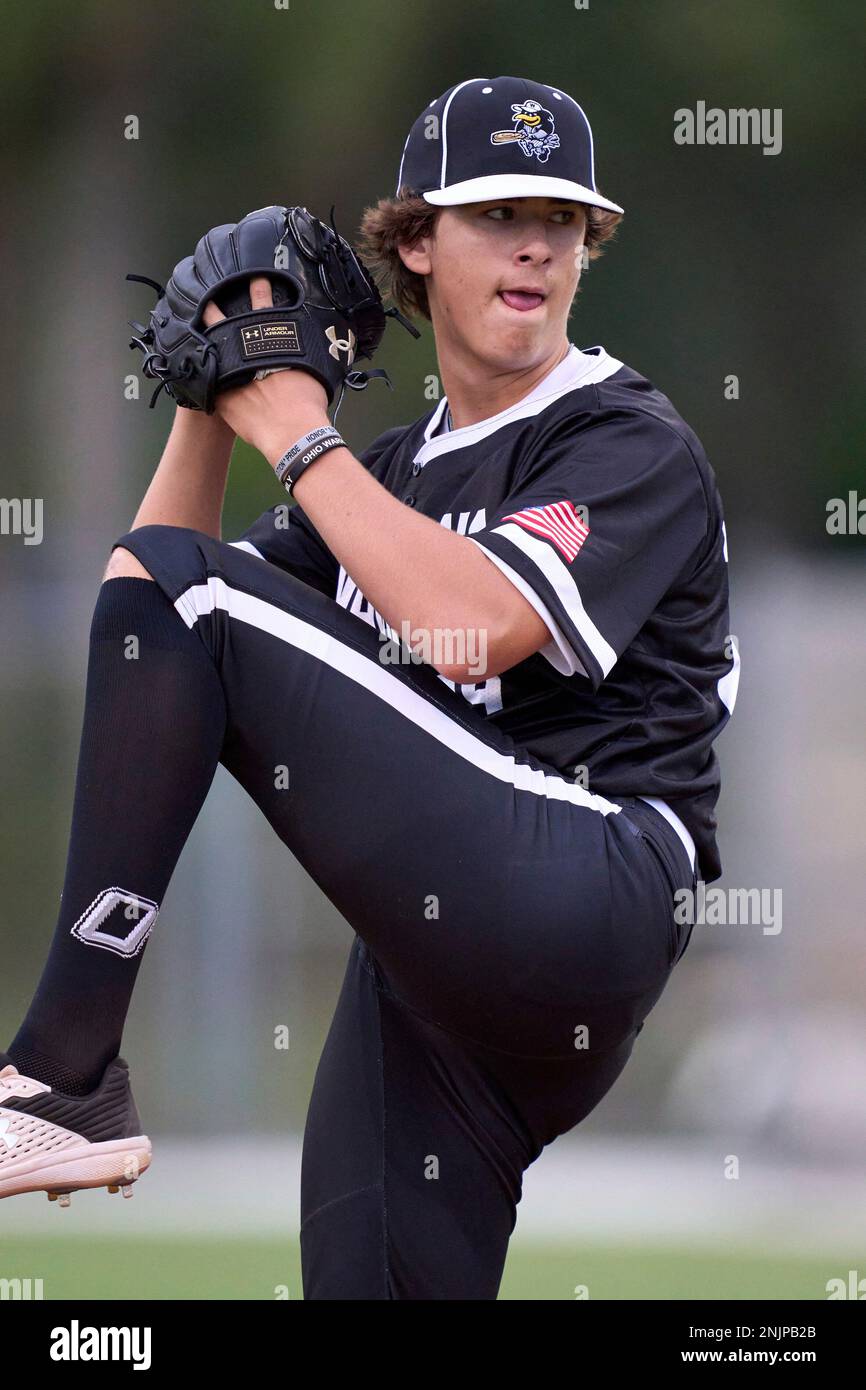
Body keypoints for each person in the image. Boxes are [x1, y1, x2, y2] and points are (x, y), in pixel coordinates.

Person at [0, 76, 737, 1298]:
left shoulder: (624, 433)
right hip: (436, 977)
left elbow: (469, 626)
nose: (536, 244)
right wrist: (211, 394)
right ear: (412, 241)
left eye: (563, 218)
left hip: (586, 895)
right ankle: (67, 1084)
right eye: (497, 210)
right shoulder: (383, 476)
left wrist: (296, 435)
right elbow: (153, 616)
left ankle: (64, 1070)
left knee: (201, 595)